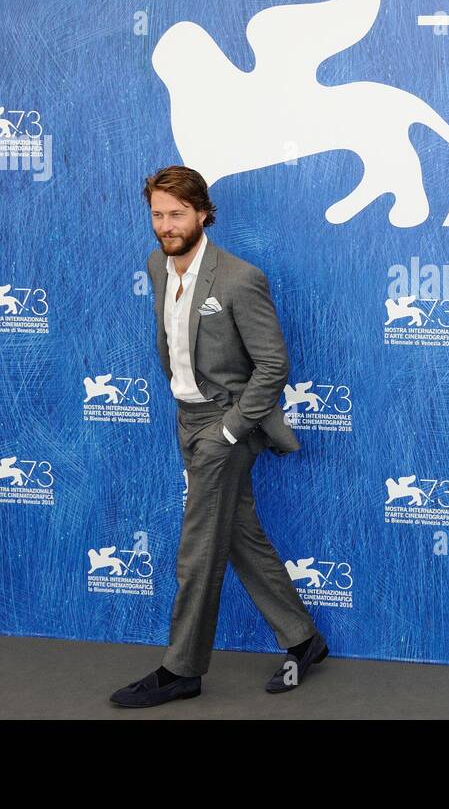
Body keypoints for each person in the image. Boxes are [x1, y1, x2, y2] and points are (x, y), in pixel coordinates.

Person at [110, 164, 328, 707]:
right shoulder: (157, 266)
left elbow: (273, 364)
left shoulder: (237, 278)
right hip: (186, 418)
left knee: (198, 552)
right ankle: (304, 639)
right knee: (238, 537)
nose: (166, 225)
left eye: (177, 214)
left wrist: (229, 431)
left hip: (223, 426)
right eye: (158, 214)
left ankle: (181, 670)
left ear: (203, 213)